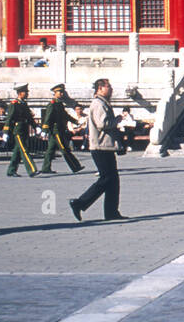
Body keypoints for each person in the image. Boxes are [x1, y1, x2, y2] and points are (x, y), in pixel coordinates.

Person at [69, 78, 125, 222]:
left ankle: (111, 212)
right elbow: (102, 124)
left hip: (105, 146)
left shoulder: (103, 102)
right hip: (100, 146)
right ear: (100, 88)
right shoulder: (98, 103)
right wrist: (116, 120)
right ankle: (80, 202)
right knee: (106, 178)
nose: (111, 89)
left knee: (113, 180)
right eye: (108, 86)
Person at [41, 83, 83, 174]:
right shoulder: (52, 104)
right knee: (64, 149)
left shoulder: (59, 104)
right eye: (59, 92)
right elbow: (47, 117)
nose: (61, 94)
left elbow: (65, 115)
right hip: (56, 130)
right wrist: (44, 129)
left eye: (62, 92)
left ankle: (45, 168)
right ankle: (75, 166)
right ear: (55, 93)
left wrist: (75, 121)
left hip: (58, 130)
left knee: (50, 149)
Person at [4, 83, 38, 177]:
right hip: (18, 130)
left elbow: (29, 117)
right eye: (25, 92)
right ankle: (32, 169)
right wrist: (5, 132)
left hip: (24, 128)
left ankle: (11, 170)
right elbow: (9, 118)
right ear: (20, 93)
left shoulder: (24, 103)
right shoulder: (14, 104)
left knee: (17, 151)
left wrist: (36, 127)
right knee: (24, 150)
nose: (27, 94)